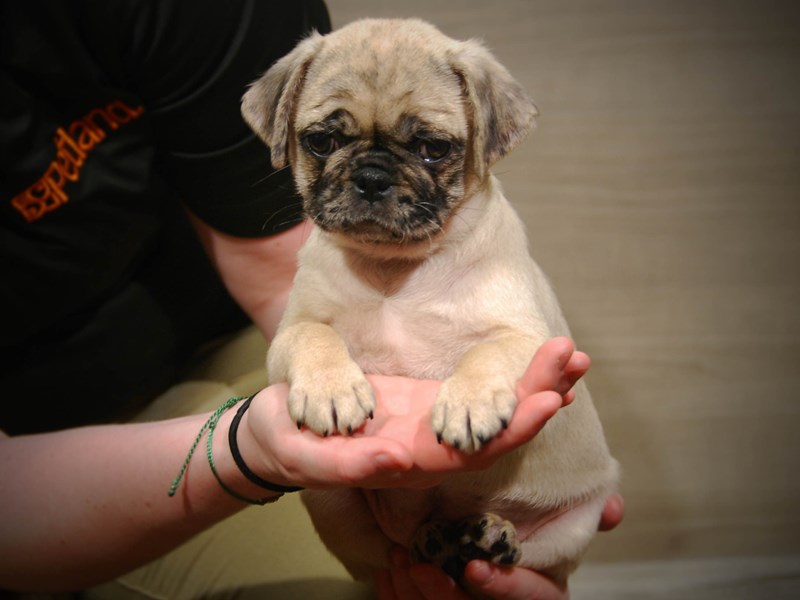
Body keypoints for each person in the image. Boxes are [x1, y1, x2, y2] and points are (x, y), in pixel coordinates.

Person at [0, 1, 622, 598]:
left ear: (487, 138)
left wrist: (483, 375)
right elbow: (303, 331)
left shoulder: (196, 16)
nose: (373, 177)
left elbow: (513, 338)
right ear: (283, 131)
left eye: (431, 149)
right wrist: (269, 423)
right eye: (326, 143)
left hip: (525, 505)